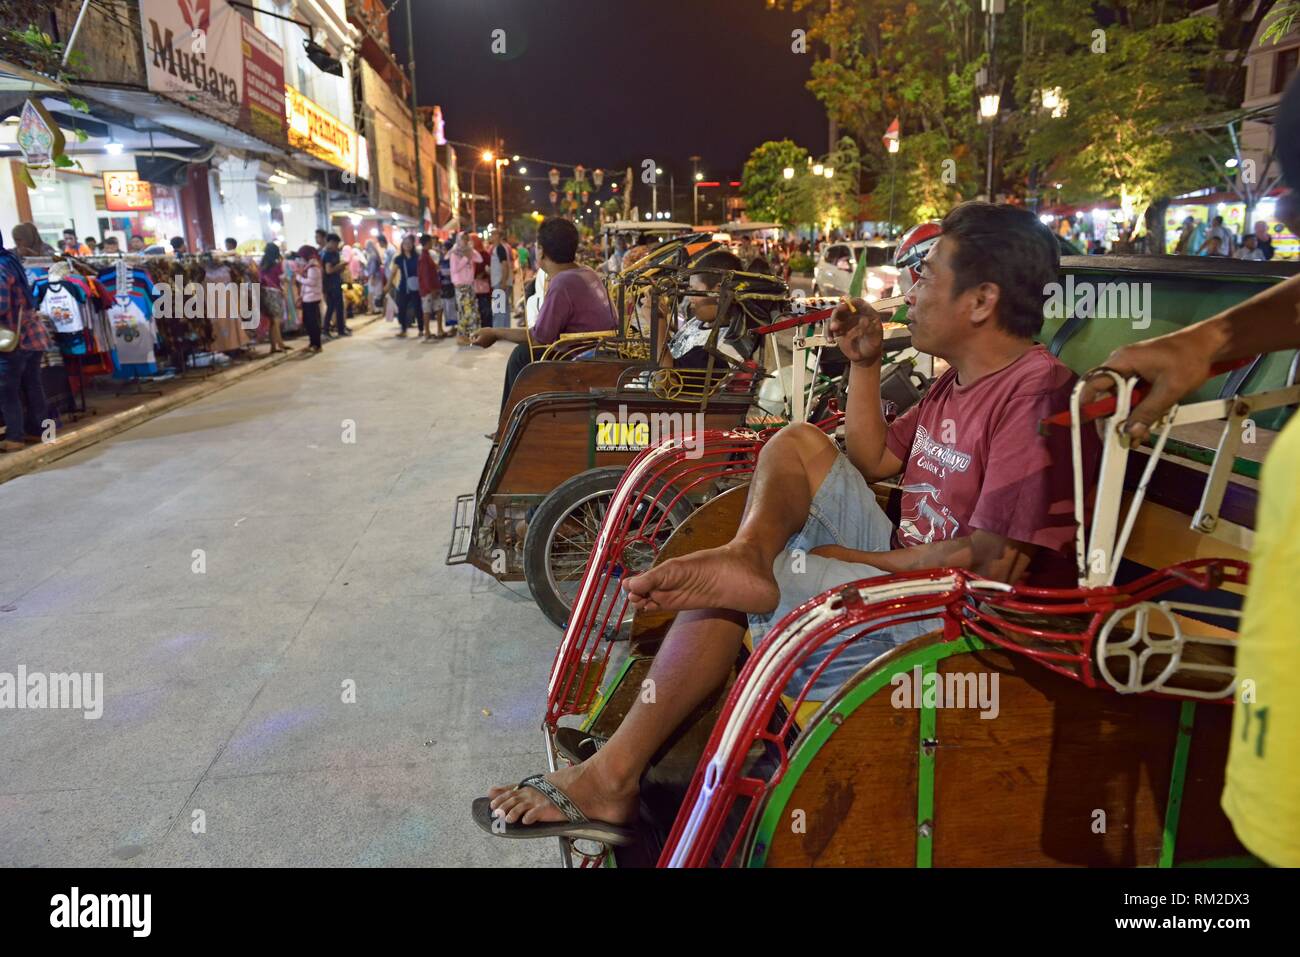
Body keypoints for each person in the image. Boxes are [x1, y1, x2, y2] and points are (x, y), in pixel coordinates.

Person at [477, 202, 1093, 841]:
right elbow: (872, 457)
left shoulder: (1037, 393)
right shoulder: (956, 381)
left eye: (927, 276)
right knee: (797, 444)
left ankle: (619, 774)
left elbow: (990, 565)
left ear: (981, 300)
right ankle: (745, 561)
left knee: (774, 577)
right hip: (906, 568)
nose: (909, 291)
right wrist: (863, 363)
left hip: (952, 618)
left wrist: (851, 565)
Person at [473, 217, 615, 413]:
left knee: (522, 355)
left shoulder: (562, 282)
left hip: (583, 359)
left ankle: (508, 427)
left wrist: (495, 333)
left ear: (541, 251)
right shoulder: (587, 272)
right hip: (598, 350)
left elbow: (539, 338)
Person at [0, 228, 53, 452]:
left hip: (13, 338)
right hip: (31, 334)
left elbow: (1, 305)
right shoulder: (10, 260)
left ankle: (15, 436)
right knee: (32, 384)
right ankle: (38, 430)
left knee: (7, 389)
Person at [449, 231, 482, 345]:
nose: (466, 240)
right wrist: (465, 259)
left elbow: (480, 259)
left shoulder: (469, 252)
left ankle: (471, 336)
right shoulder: (454, 253)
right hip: (461, 286)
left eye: (467, 238)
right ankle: (462, 336)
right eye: (463, 238)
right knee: (464, 312)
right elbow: (454, 270)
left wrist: (470, 251)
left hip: (469, 285)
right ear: (458, 239)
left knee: (472, 311)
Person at [259, 242, 290, 353]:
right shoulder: (277, 265)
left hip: (265, 293)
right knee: (276, 320)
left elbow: (260, 280)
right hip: (275, 293)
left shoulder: (262, 265)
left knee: (272, 321)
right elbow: (282, 278)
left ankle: (273, 347)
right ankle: (280, 344)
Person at [389, 233, 422, 338]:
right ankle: (403, 329)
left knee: (418, 308)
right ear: (402, 245)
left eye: (409, 243)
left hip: (416, 286)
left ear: (413, 244)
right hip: (403, 286)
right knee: (402, 307)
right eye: (405, 243)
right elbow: (393, 273)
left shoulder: (418, 257)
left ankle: (421, 329)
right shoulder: (399, 258)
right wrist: (388, 285)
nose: (407, 245)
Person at [293, 244, 324, 353]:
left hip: (312, 298)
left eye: (301, 256)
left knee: (313, 323)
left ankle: (317, 345)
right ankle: (312, 343)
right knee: (309, 323)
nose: (300, 259)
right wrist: (301, 296)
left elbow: (311, 282)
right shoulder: (309, 267)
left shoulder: (313, 267)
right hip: (308, 297)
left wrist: (299, 278)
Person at [418, 233, 446, 340]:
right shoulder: (424, 257)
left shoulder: (427, 255)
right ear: (428, 242)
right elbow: (425, 276)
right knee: (427, 310)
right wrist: (431, 289)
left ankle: (438, 329)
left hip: (433, 287)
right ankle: (428, 332)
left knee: (438, 308)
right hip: (429, 289)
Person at [321, 233, 349, 337]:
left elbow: (336, 269)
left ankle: (340, 330)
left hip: (337, 283)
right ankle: (326, 330)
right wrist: (340, 265)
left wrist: (342, 267)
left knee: (339, 307)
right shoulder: (327, 254)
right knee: (331, 308)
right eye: (335, 243)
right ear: (330, 242)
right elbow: (329, 270)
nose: (337, 246)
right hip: (329, 285)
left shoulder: (336, 253)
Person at [488, 227, 513, 327]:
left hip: (500, 282)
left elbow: (504, 265)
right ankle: (505, 329)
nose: (492, 236)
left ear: (499, 236)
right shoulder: (498, 248)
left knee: (499, 308)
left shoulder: (500, 248)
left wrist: (503, 281)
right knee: (504, 307)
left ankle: (498, 330)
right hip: (500, 281)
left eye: (494, 234)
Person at [471, 234, 493, 331]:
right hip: (473, 286)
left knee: (485, 308)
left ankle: (487, 328)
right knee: (477, 308)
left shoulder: (484, 254)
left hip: (483, 284)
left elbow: (490, 267)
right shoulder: (470, 254)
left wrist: (483, 273)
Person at [439, 238, 458, 333]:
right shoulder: (442, 259)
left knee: (451, 306)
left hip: (451, 285)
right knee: (446, 306)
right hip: (444, 286)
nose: (443, 251)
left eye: (445, 248)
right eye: (442, 249)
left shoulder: (452, 258)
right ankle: (451, 326)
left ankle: (454, 326)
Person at [364, 239, 385, 311]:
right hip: (377, 276)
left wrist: (372, 277)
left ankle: (375, 309)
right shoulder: (375, 254)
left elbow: (372, 268)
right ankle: (378, 308)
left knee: (373, 293)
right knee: (377, 292)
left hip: (374, 276)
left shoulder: (372, 256)